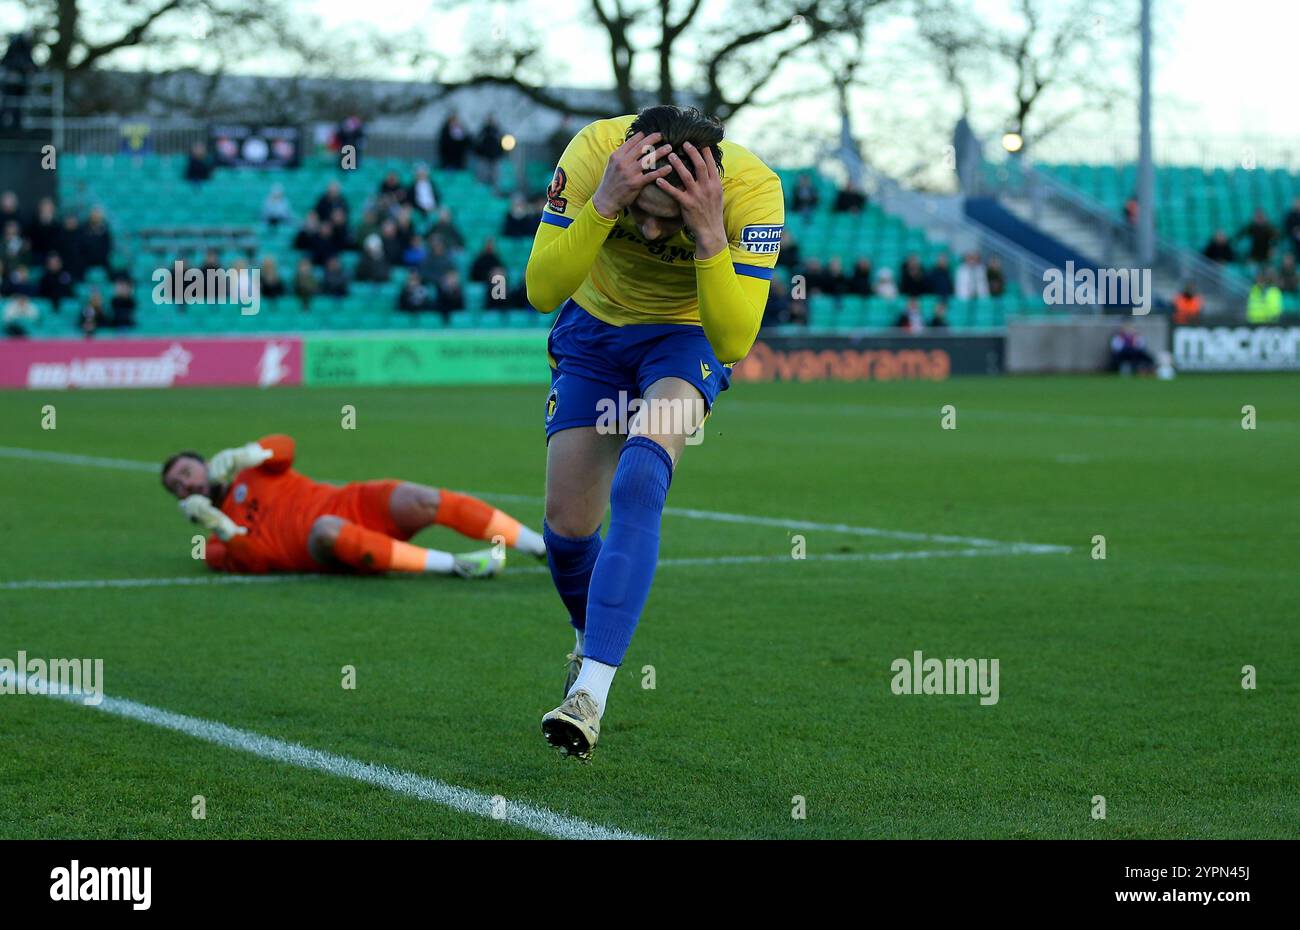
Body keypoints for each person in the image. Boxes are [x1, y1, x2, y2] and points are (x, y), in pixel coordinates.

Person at [525, 105, 783, 760]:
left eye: (663, 219)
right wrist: (605, 203)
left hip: (683, 337)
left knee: (642, 479)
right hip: (594, 334)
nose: (646, 228)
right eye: (639, 207)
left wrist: (707, 236)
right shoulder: (592, 155)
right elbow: (541, 288)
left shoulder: (754, 194)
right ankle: (588, 636)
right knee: (567, 522)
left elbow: (732, 338)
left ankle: (590, 693)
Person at [161, 435, 546, 577]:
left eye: (186, 471)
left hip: (352, 502)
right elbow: (257, 560)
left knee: (423, 499)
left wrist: (248, 452)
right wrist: (220, 522)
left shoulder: (249, 471)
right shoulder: (215, 545)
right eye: (177, 486)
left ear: (203, 463)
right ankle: (456, 565)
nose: (185, 482)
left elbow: (287, 447)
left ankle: (541, 546)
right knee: (327, 528)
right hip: (322, 545)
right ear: (183, 501)